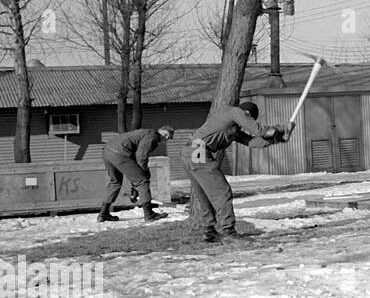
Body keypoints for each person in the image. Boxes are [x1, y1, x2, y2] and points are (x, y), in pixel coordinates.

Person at [188, 102, 291, 243]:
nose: (246, 123)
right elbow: (259, 131)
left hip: (189, 152)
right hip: (198, 150)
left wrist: (276, 139)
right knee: (222, 191)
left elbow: (253, 142)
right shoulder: (235, 112)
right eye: (249, 119)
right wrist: (281, 129)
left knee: (205, 194)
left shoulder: (233, 128)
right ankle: (228, 231)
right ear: (247, 114)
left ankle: (210, 231)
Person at [98, 125, 175, 222]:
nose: (167, 138)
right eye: (166, 135)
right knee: (143, 181)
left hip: (107, 151)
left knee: (115, 182)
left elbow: (134, 159)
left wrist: (134, 187)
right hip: (120, 153)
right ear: (161, 131)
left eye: (169, 137)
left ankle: (103, 214)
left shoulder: (144, 132)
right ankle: (149, 214)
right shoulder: (152, 136)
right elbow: (141, 156)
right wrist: (145, 174)